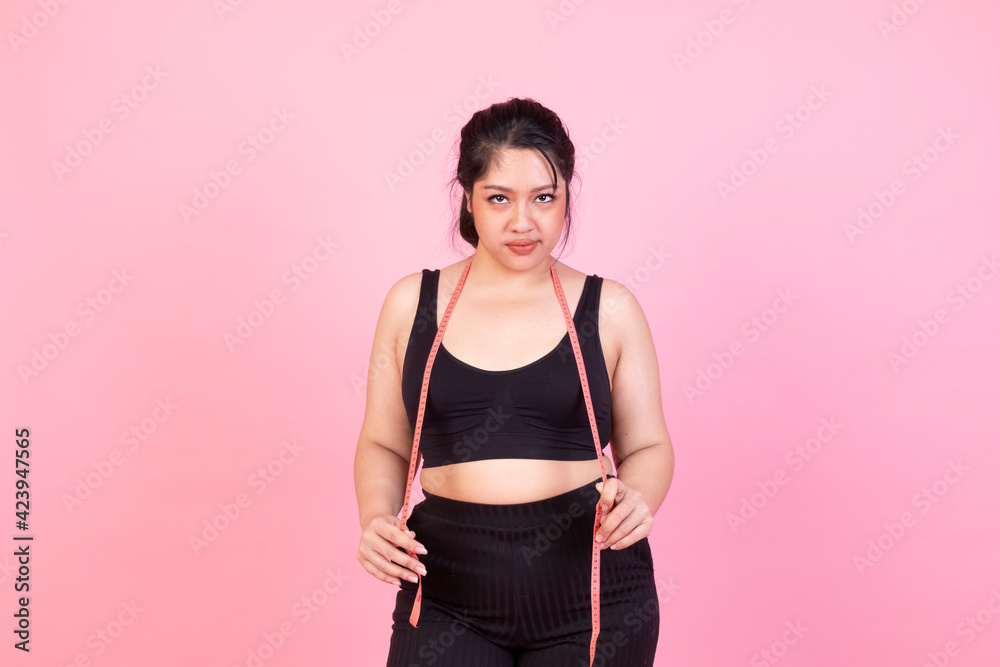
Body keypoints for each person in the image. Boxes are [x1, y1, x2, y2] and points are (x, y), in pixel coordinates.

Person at [354, 97, 674, 667]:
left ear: (567, 197)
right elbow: (383, 441)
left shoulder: (612, 309)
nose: (523, 222)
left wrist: (639, 497)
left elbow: (647, 444)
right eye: (499, 198)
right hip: (450, 593)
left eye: (544, 198)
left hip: (594, 591)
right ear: (469, 199)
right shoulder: (412, 305)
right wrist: (376, 517)